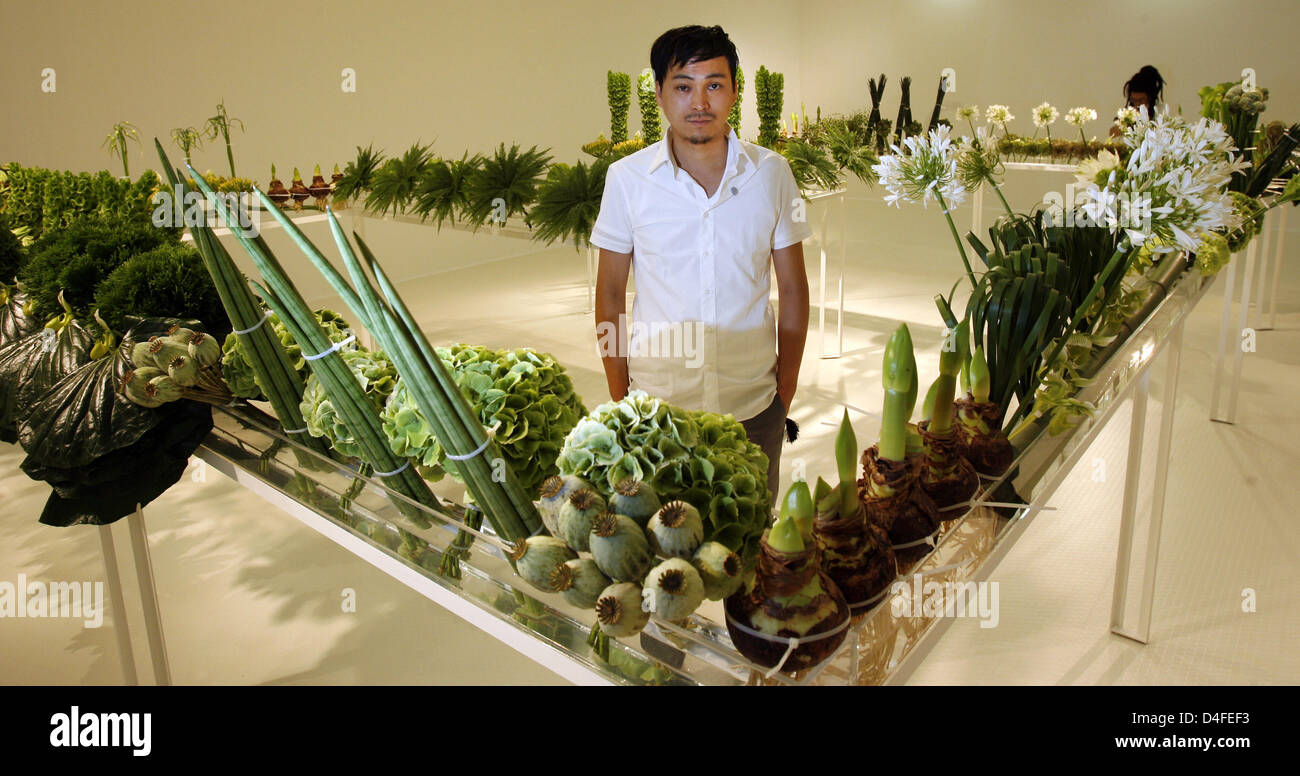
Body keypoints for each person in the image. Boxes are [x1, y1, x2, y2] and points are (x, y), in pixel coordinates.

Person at [590, 25, 811, 505]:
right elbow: (610, 293)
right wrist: (619, 391)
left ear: (735, 90)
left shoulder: (771, 173)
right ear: (659, 94)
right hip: (658, 404)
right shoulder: (627, 180)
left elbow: (793, 289)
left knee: (749, 539)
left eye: (714, 84)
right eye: (683, 86)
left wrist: (785, 389)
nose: (699, 102)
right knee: (663, 546)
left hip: (753, 402)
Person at [1111, 65, 1165, 136]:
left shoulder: (1161, 112)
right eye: (1134, 100)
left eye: (1141, 100)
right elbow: (1112, 133)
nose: (1137, 104)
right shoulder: (1128, 113)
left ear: (1150, 97)